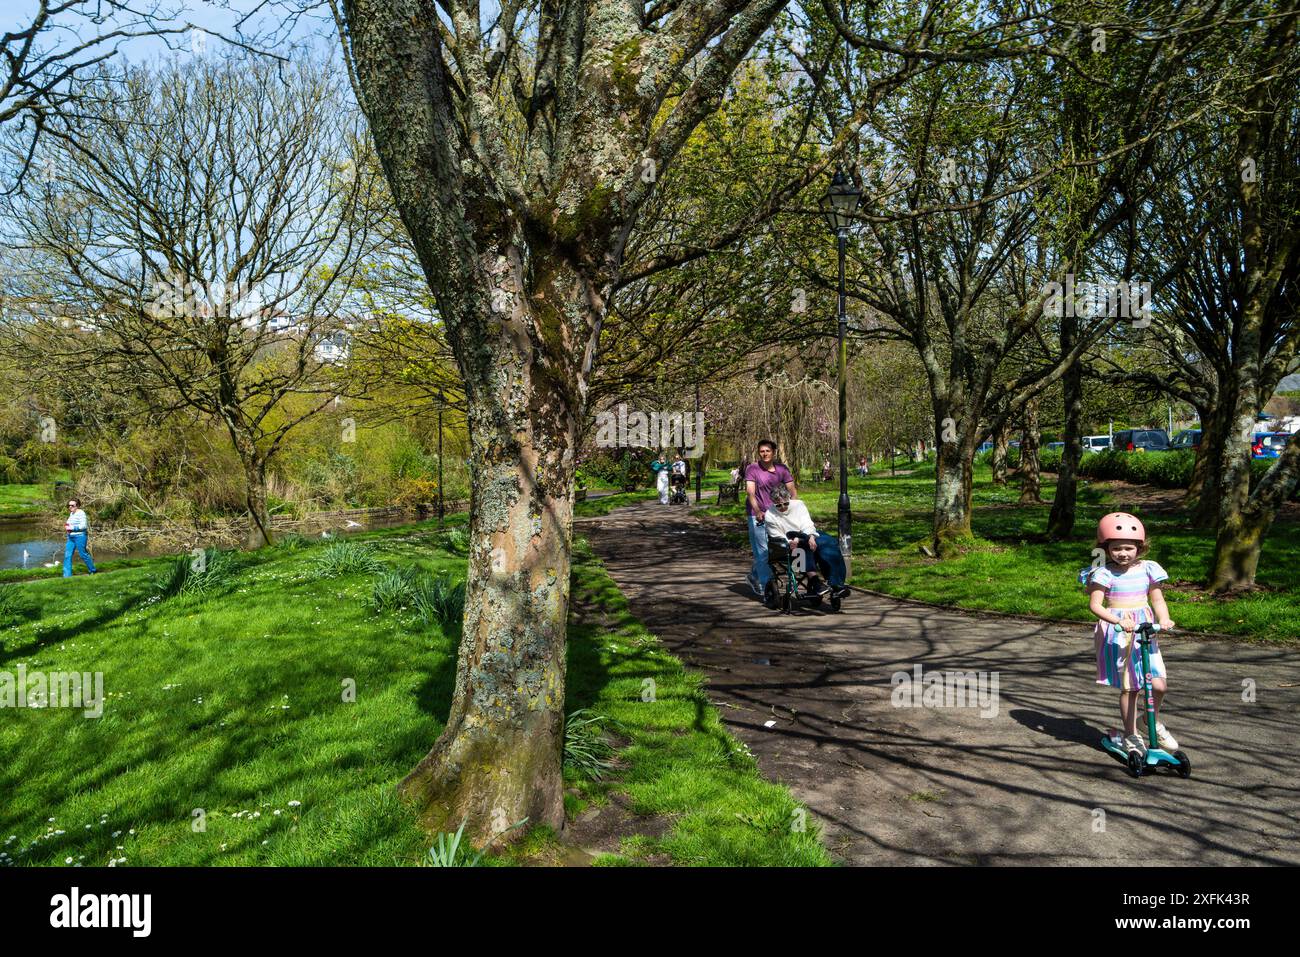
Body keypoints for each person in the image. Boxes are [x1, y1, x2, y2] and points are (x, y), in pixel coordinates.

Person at [1081, 512, 1177, 756]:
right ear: (1106, 548)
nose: (1122, 553)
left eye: (1128, 548)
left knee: (1158, 684)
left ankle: (1150, 721)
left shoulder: (1148, 569)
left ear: (1139, 547)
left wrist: (1163, 618)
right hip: (1119, 634)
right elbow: (1095, 605)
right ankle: (1130, 734)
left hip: (1145, 632)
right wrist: (1118, 620)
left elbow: (1157, 599)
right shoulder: (1103, 573)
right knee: (1132, 687)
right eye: (1116, 548)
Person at [763, 484, 849, 598]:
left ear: (789, 498)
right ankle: (815, 581)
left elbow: (806, 523)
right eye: (778, 505)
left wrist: (811, 536)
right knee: (803, 548)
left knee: (829, 543)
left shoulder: (798, 505)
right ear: (773, 503)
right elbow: (776, 534)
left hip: (807, 533)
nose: (783, 507)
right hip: (789, 540)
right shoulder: (770, 514)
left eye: (786, 503)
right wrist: (791, 542)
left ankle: (836, 584)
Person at [744, 440, 796, 596]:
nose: (765, 454)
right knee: (763, 552)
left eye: (768, 451)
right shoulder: (752, 469)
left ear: (774, 452)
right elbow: (750, 492)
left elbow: (792, 491)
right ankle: (767, 587)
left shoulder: (782, 469)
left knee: (776, 550)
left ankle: (754, 575)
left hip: (776, 514)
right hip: (757, 515)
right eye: (762, 451)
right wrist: (758, 510)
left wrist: (792, 509)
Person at [63, 498, 97, 577]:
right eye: (69, 505)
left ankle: (93, 570)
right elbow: (70, 523)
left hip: (80, 536)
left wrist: (72, 528)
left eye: (72, 505)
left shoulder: (81, 513)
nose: (70, 507)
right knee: (67, 555)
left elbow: (83, 526)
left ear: (77, 506)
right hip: (71, 537)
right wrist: (67, 526)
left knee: (83, 554)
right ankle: (67, 576)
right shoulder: (72, 513)